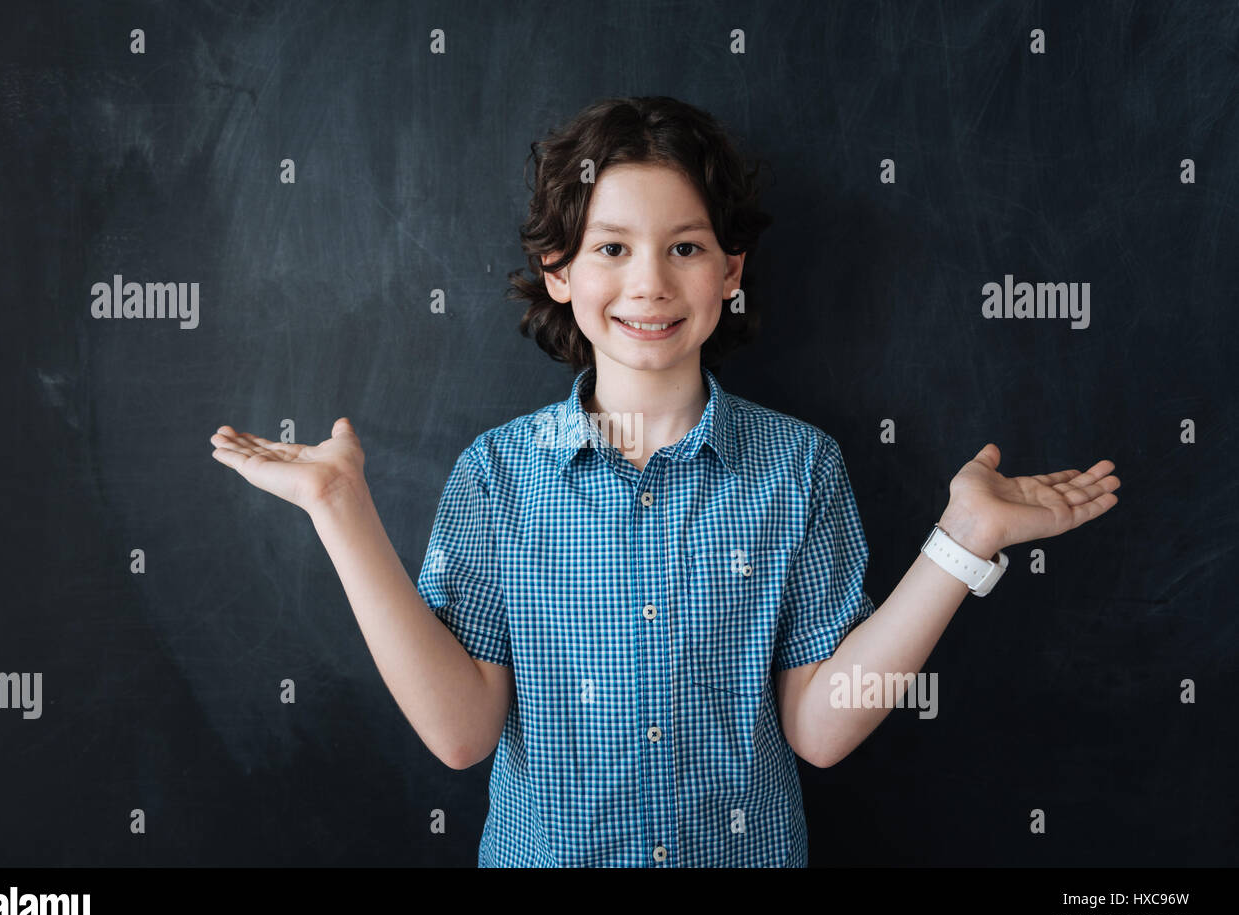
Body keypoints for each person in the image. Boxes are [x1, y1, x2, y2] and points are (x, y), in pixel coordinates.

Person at [208, 95, 1120, 867]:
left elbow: (821, 728)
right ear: (557, 272)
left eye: (684, 247)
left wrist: (961, 543)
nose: (648, 282)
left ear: (730, 273)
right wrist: (340, 507)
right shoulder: (496, 475)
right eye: (610, 248)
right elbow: (461, 733)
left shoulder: (801, 468)